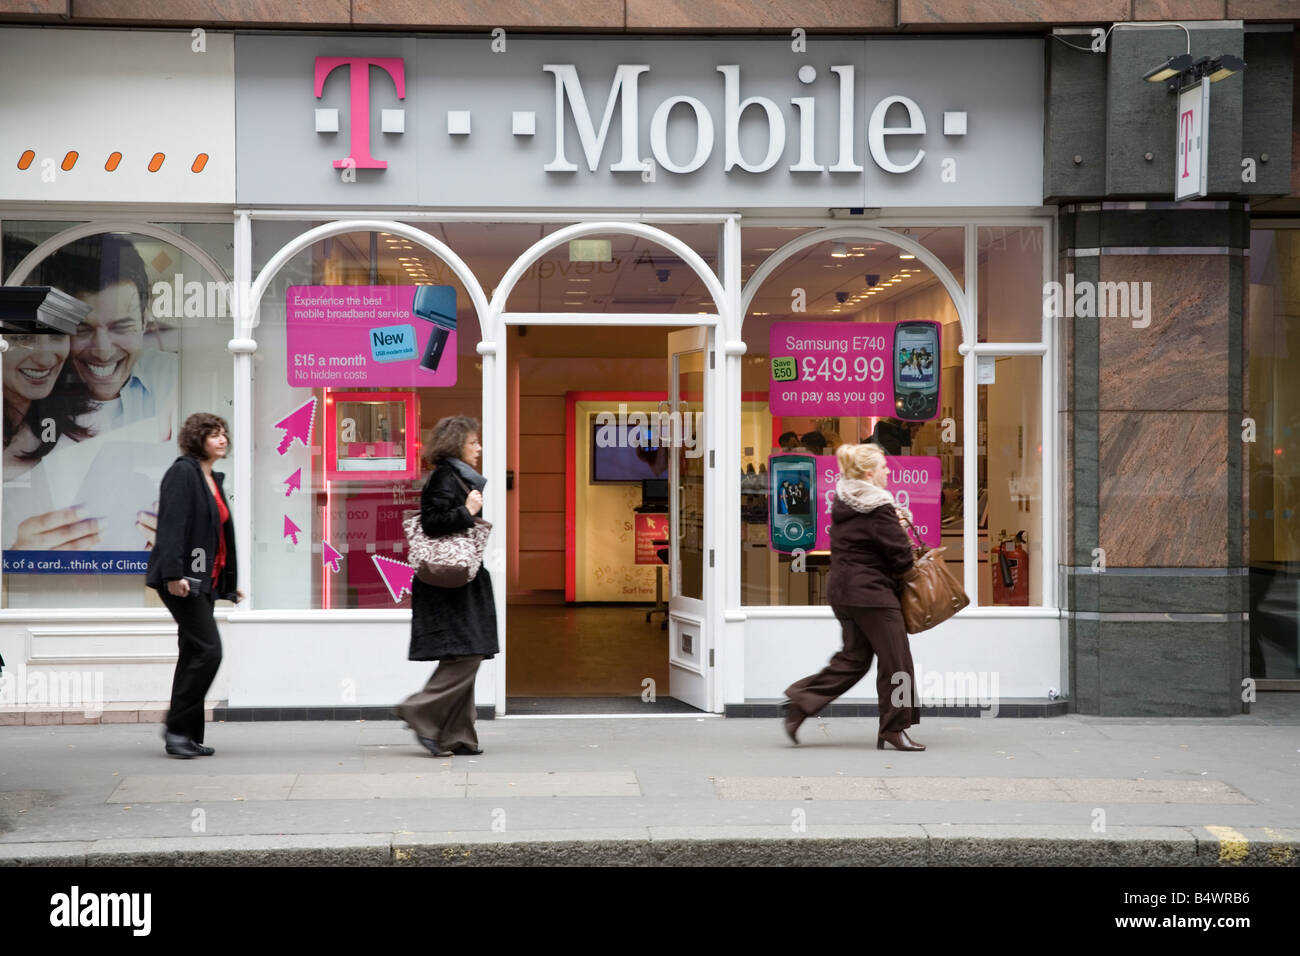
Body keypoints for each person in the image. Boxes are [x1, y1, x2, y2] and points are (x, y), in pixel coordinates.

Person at [781, 442, 925, 752]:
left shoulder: (845, 501)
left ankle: (801, 702)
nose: (889, 472)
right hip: (871, 594)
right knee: (897, 663)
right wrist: (900, 533)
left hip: (843, 592)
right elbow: (900, 557)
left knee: (854, 659)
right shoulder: (879, 505)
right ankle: (894, 729)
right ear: (870, 474)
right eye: (885, 468)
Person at [396, 415, 499, 757]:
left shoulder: (457, 475)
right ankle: (420, 710)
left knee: (466, 649)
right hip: (447, 579)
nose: (479, 448)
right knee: (468, 652)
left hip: (459, 578)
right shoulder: (445, 477)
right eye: (474, 442)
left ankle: (457, 734)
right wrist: (467, 510)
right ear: (457, 445)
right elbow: (433, 522)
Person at [145, 413, 242, 758]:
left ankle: (186, 736)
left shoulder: (211, 477)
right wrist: (173, 575)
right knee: (208, 650)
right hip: (183, 580)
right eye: (213, 434)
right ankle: (175, 727)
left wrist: (229, 584)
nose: (222, 439)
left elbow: (217, 536)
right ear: (196, 438)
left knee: (192, 652)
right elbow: (172, 525)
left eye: (223, 433)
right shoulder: (182, 472)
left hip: (204, 581)